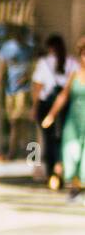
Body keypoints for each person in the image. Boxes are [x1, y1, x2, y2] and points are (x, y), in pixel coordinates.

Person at [41, 37, 85, 204]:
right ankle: (74, 188)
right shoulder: (75, 75)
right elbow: (63, 96)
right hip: (74, 120)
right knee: (70, 151)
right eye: (83, 54)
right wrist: (51, 115)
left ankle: (78, 188)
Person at [32, 35, 76, 190]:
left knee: (49, 140)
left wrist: (34, 106)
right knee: (62, 139)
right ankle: (61, 171)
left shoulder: (43, 63)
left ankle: (53, 173)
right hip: (67, 106)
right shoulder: (72, 62)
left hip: (47, 104)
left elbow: (37, 87)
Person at [0, 35, 31, 160]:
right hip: (11, 89)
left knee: (19, 121)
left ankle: (20, 152)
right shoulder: (8, 47)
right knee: (14, 122)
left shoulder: (28, 47)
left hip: (23, 89)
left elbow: (31, 68)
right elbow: (2, 65)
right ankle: (15, 151)